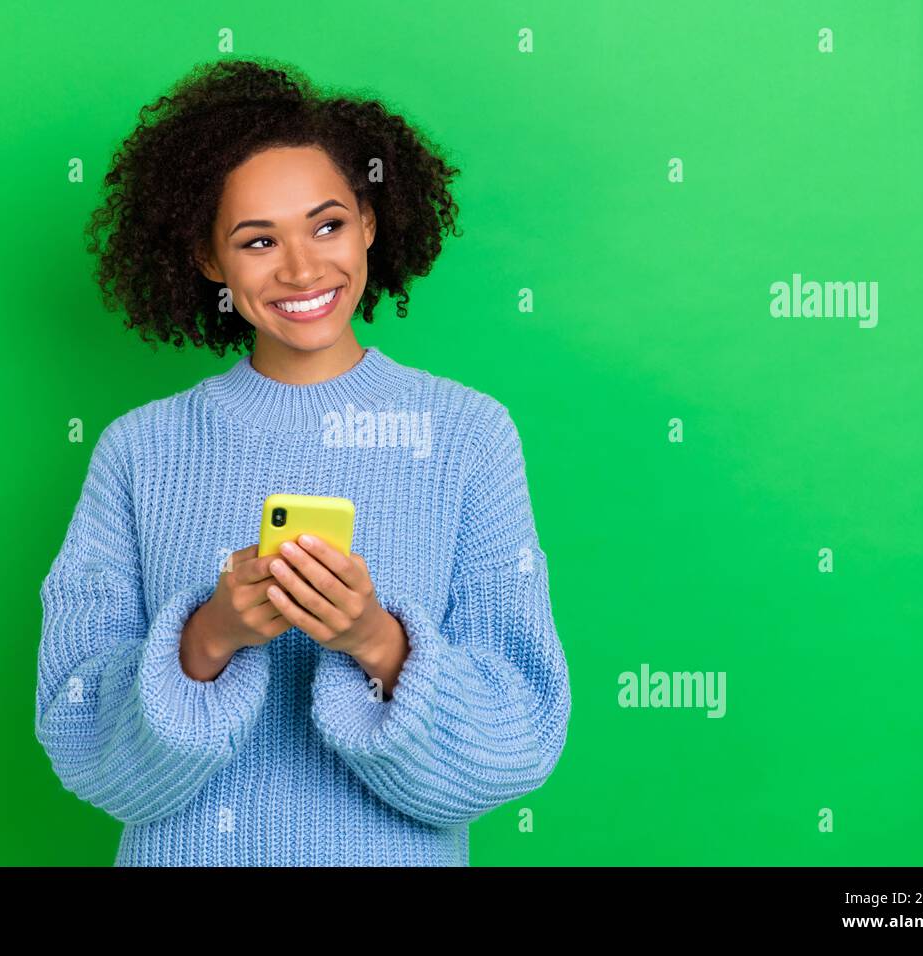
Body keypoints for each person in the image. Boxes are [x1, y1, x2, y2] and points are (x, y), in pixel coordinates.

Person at [34, 57, 571, 866]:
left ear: (371, 222)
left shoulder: (467, 434)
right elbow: (79, 735)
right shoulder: (138, 451)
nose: (301, 268)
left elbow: (520, 736)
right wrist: (209, 637)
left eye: (327, 225)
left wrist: (377, 641)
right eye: (257, 240)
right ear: (211, 261)